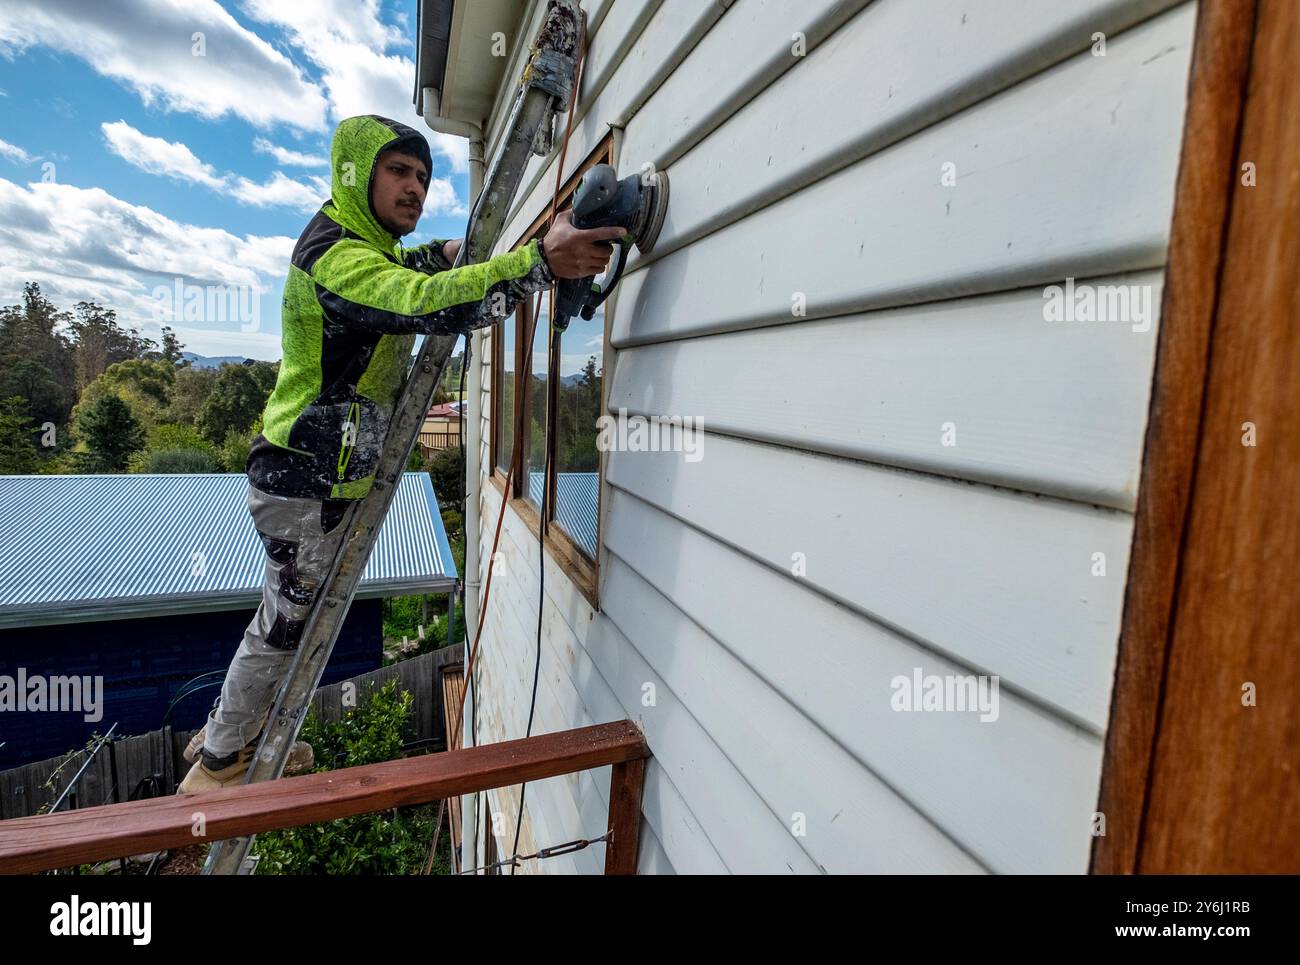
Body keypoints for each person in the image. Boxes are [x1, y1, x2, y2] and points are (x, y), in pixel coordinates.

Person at [178, 114, 623, 793]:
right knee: (284, 624)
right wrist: (537, 264)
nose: (415, 187)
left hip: (312, 475)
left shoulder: (362, 244)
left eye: (422, 176)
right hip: (306, 483)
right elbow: (418, 303)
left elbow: (413, 270)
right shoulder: (338, 257)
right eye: (399, 171)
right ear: (356, 173)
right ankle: (219, 764)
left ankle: (228, 734)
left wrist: (453, 251)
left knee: (284, 621)